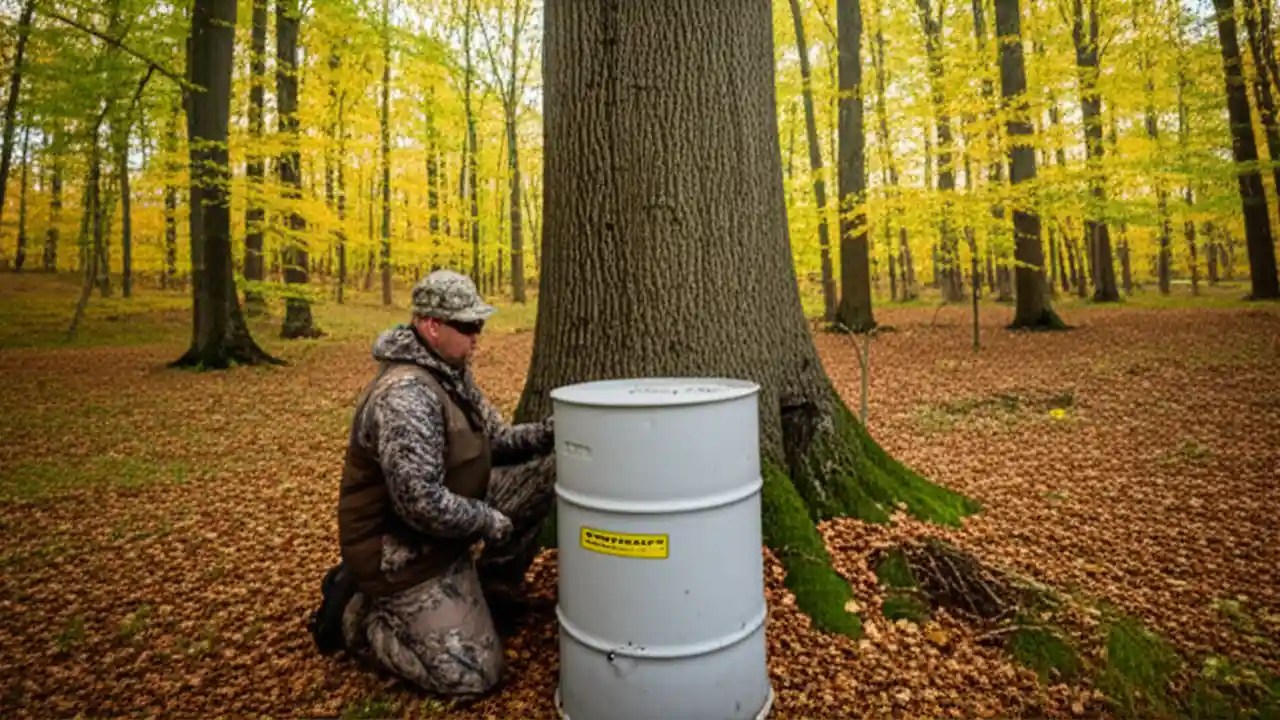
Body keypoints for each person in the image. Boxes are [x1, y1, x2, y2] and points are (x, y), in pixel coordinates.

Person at [336, 269, 556, 699]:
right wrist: (486, 521)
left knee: (545, 470)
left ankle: (490, 589)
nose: (477, 337)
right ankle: (363, 622)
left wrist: (551, 432)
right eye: (469, 326)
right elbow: (420, 503)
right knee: (474, 676)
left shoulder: (450, 372)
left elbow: (497, 438)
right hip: (401, 556)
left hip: (447, 527)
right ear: (432, 326)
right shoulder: (405, 395)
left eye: (480, 325)